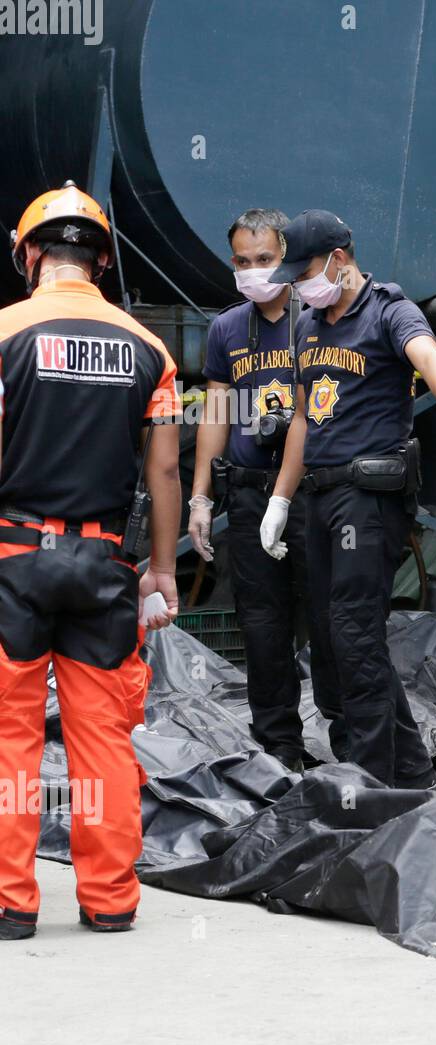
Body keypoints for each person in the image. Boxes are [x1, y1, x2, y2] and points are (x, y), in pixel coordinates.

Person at [0, 183, 181, 940]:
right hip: (105, 563)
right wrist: (163, 571)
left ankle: (12, 902)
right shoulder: (149, 349)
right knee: (101, 734)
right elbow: (165, 472)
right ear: (101, 263)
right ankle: (109, 898)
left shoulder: (4, 332)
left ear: (32, 255)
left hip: (14, 555)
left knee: (9, 735)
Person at [266, 210, 436, 789]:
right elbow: (300, 418)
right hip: (317, 497)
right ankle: (411, 773)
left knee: (355, 634)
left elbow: (428, 354)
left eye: (306, 271)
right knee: (333, 640)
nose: (298, 286)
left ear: (340, 259)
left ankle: (369, 781)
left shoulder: (389, 310)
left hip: (368, 499)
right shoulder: (308, 325)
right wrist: (280, 499)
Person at [189, 209, 310, 770]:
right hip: (248, 491)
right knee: (262, 621)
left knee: (333, 616)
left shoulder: (319, 317)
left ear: (286, 256)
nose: (254, 271)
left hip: (316, 492)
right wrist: (200, 498)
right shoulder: (227, 329)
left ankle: (350, 731)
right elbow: (216, 410)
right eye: (243, 261)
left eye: (265, 260)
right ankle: (279, 746)